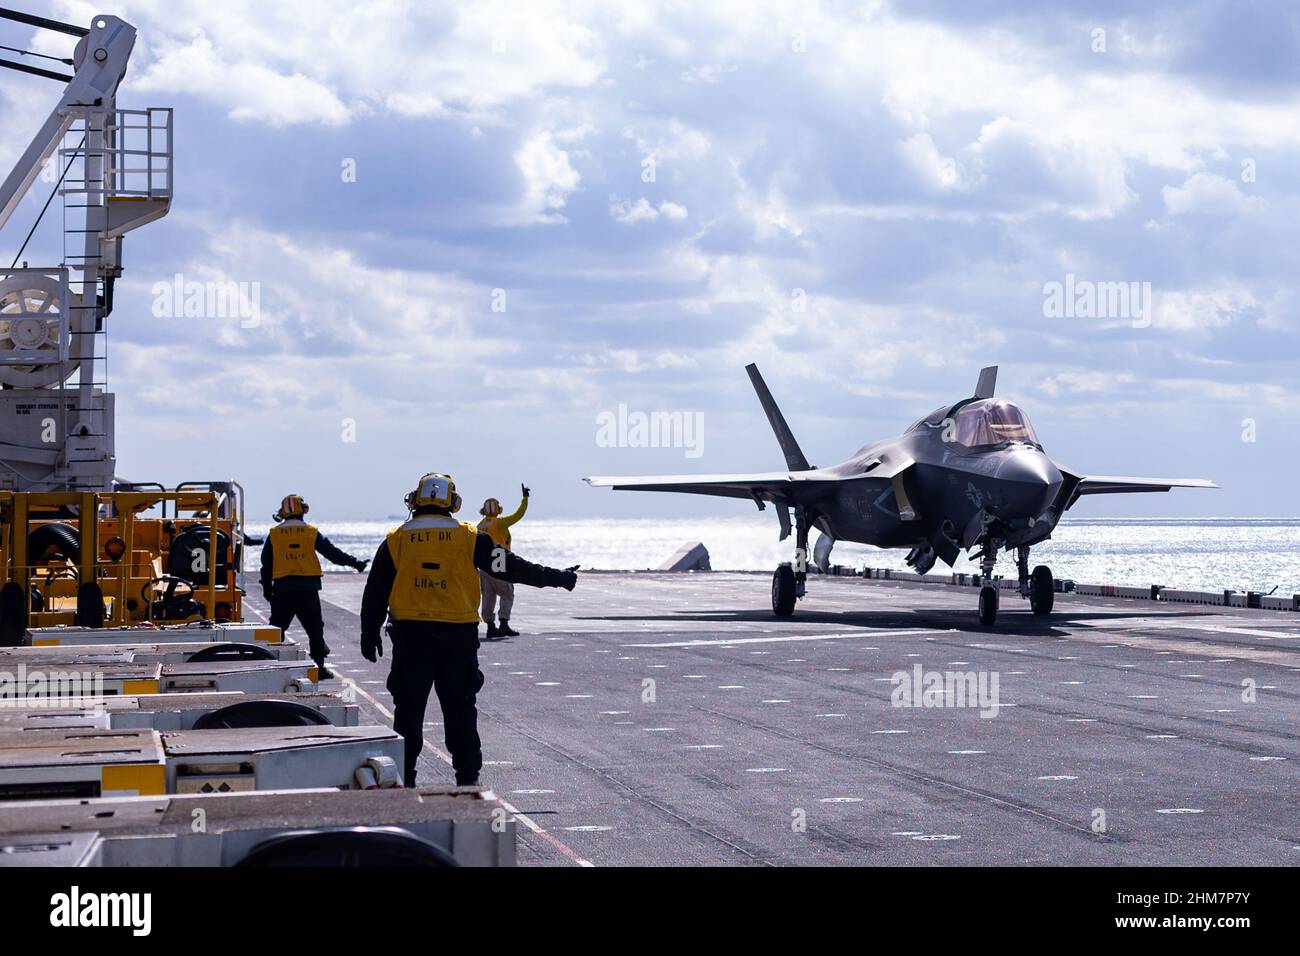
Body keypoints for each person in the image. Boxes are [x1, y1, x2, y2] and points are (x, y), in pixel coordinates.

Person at [359, 473, 577, 787]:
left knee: (407, 712)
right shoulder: (469, 537)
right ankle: (467, 780)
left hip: (411, 639)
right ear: (453, 503)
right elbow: (513, 567)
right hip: (457, 641)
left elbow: (376, 589)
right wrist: (560, 577)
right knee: (460, 711)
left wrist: (369, 633)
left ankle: (405, 781)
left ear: (415, 500)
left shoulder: (397, 537)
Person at [260, 494, 368, 679]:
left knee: (276, 629)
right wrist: (355, 563)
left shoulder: (275, 533)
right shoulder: (310, 532)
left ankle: (267, 665)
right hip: (307, 588)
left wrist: (267, 589)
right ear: (303, 510)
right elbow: (332, 554)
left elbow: (266, 564)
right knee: (315, 629)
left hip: (283, 589)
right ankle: (319, 668)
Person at [478, 483, 530, 638]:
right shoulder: (500, 523)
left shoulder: (479, 526)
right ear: (498, 509)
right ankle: (504, 624)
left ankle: (490, 626)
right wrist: (525, 499)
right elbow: (518, 514)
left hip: (483, 565)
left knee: (488, 595)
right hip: (499, 560)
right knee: (507, 592)